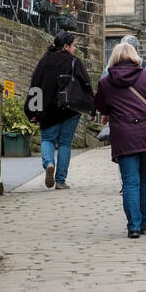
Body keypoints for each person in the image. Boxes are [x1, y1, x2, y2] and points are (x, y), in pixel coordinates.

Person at [94, 43, 146, 238]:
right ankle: (144, 221)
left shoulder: (106, 82)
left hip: (123, 135)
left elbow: (100, 106)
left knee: (130, 182)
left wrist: (110, 112)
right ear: (134, 56)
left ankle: (134, 226)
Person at [27, 31, 94, 190]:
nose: (75, 49)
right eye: (74, 46)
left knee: (47, 140)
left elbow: (35, 85)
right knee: (65, 144)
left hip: (47, 109)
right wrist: (92, 108)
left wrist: (32, 111)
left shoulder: (44, 61)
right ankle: (60, 181)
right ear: (66, 46)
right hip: (70, 109)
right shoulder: (74, 62)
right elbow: (86, 85)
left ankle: (49, 163)